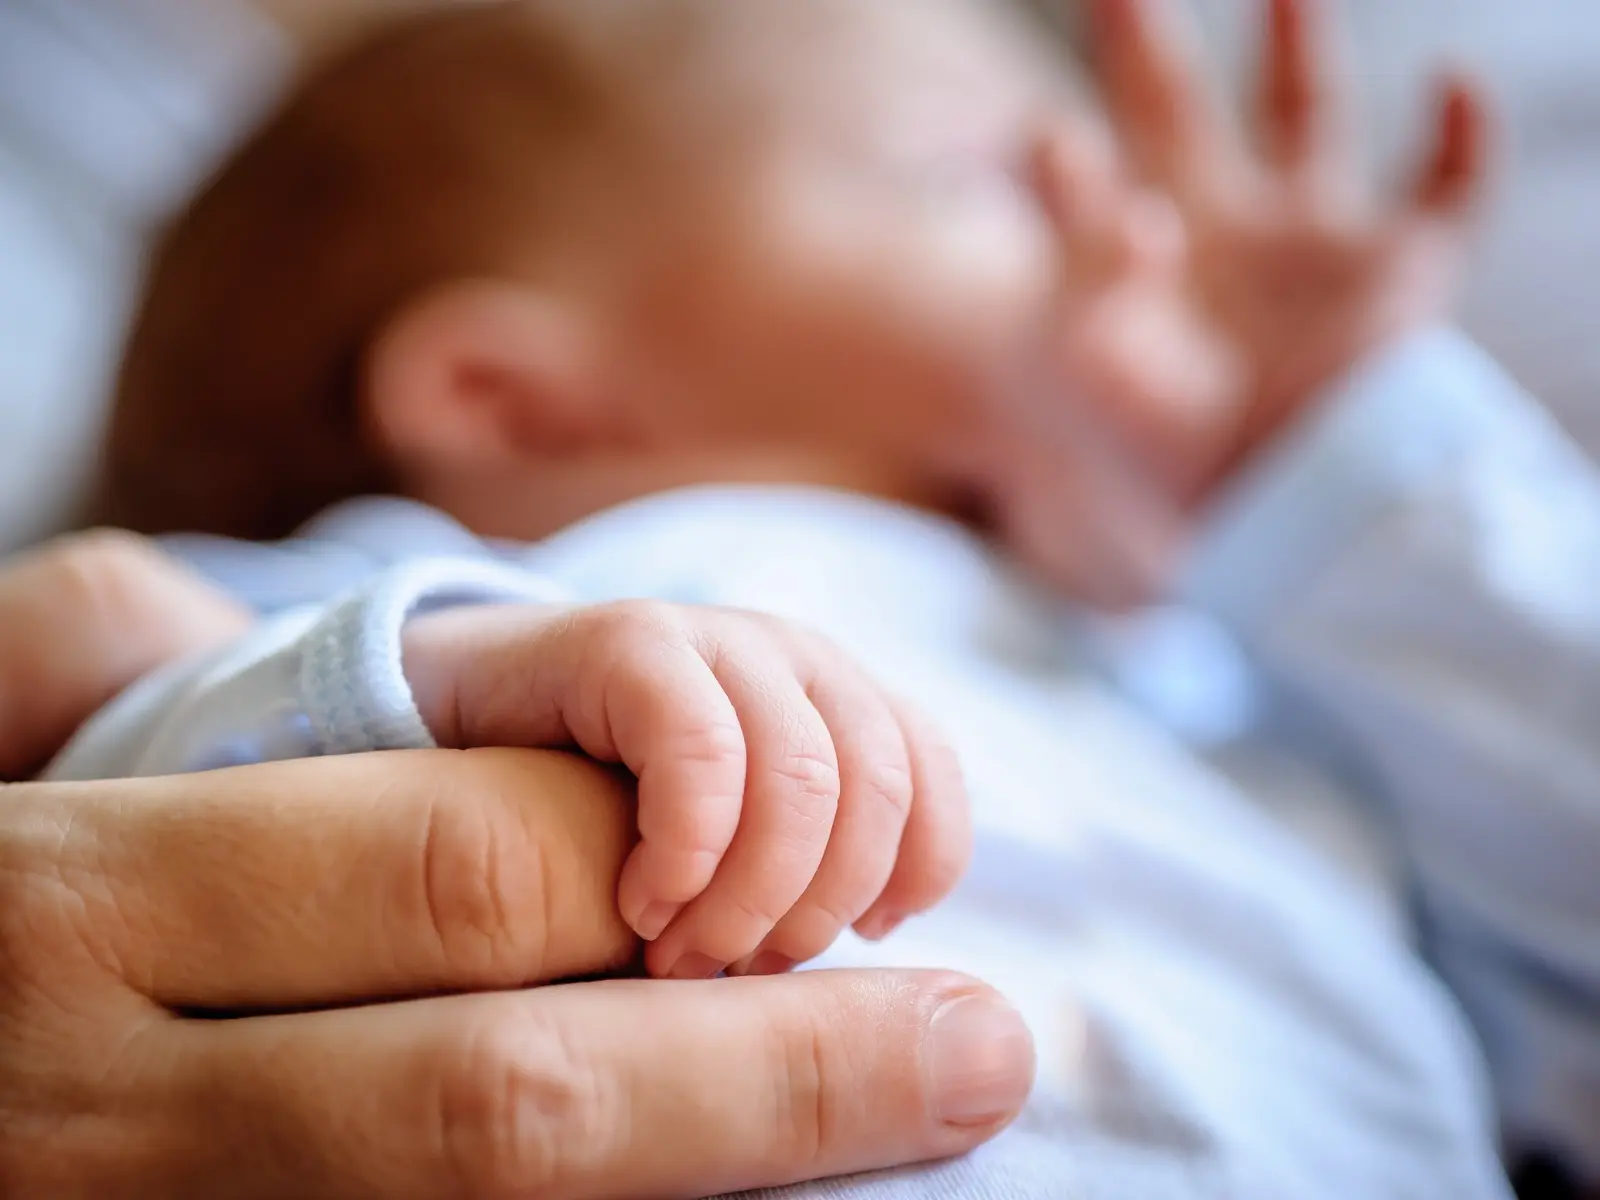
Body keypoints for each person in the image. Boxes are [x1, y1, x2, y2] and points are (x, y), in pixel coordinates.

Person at [0, 531, 1037, 1198]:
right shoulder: (537, 545)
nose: (1079, 179)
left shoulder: (1141, 665)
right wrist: (434, 679)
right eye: (960, 181)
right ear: (497, 396)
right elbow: (151, 807)